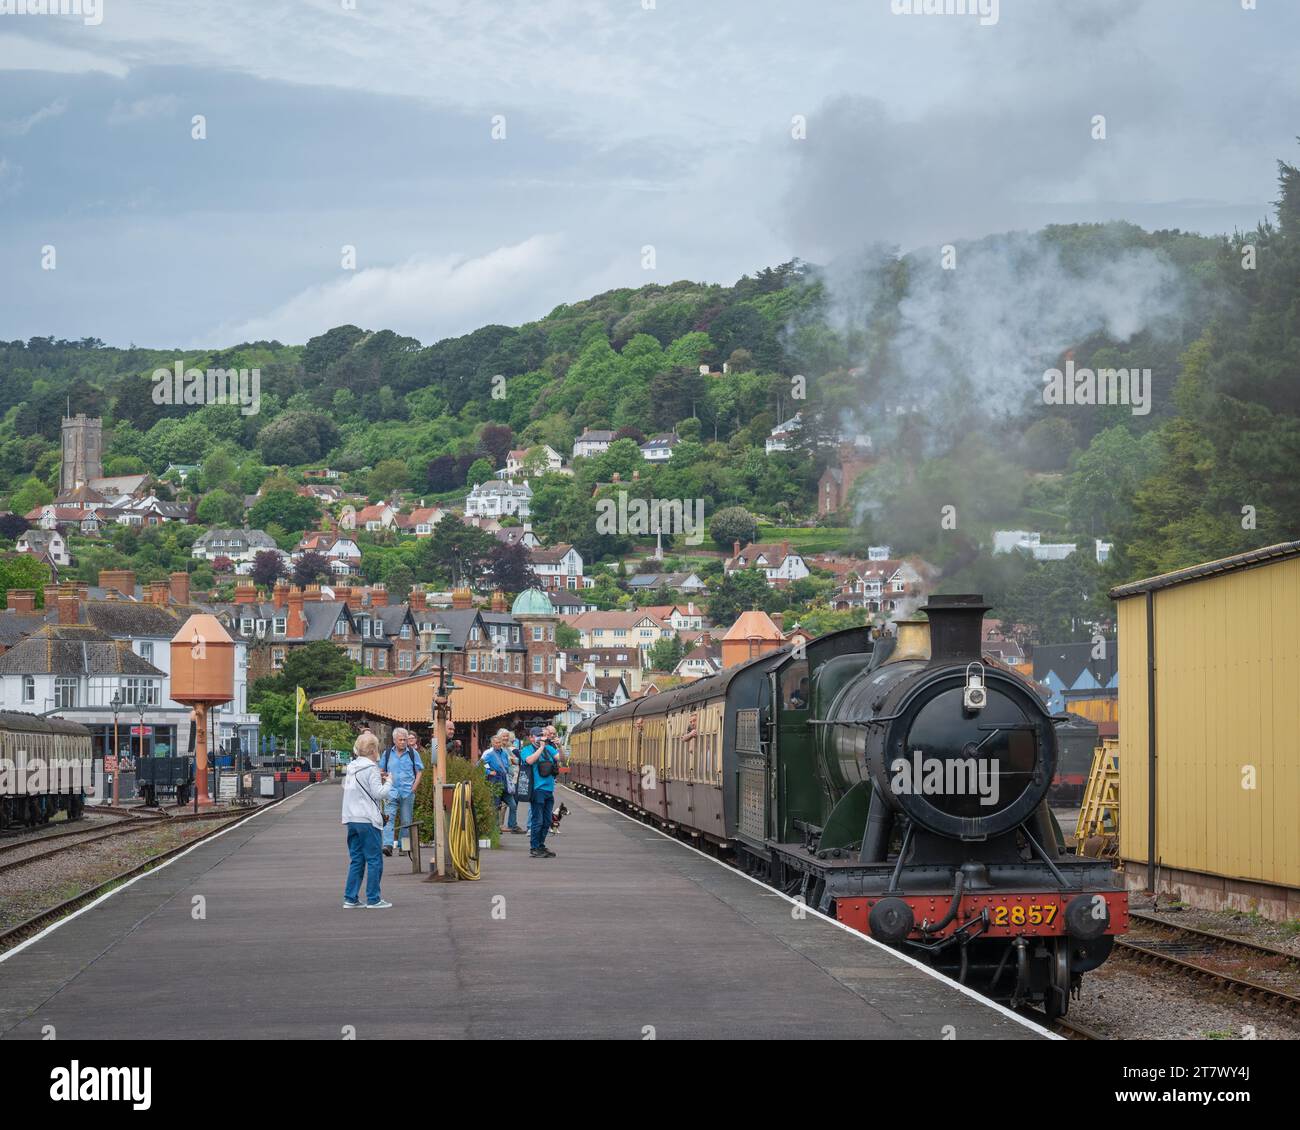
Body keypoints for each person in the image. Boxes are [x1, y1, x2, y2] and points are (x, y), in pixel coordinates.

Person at [341, 730, 394, 908]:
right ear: (373, 750)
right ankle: (374, 898)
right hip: (368, 819)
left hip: (351, 818)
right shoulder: (371, 768)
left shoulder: (351, 767)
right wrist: (389, 781)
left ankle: (351, 897)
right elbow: (379, 794)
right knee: (374, 859)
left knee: (356, 859)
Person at [381, 728, 424, 857]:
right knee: (388, 819)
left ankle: (403, 846)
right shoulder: (387, 753)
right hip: (391, 792)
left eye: (405, 739)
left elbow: (419, 771)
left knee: (406, 820)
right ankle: (387, 845)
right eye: (400, 740)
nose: (403, 742)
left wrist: (415, 786)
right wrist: (383, 781)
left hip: (407, 792)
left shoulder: (413, 753)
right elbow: (381, 770)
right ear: (394, 740)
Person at [524, 726, 559, 859]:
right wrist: (541, 747)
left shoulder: (549, 749)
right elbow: (529, 761)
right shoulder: (527, 749)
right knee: (537, 820)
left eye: (543, 735)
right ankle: (534, 847)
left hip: (549, 790)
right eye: (539, 736)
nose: (542, 738)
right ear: (531, 737)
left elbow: (560, 758)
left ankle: (541, 845)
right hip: (536, 789)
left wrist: (559, 746)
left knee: (547, 820)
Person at [481, 730, 513, 831]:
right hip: (495, 781)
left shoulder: (504, 753)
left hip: (504, 780)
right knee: (495, 805)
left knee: (513, 804)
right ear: (492, 743)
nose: (498, 744)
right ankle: (496, 828)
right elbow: (482, 764)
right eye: (496, 742)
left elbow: (507, 765)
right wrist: (488, 771)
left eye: (499, 742)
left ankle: (512, 825)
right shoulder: (489, 754)